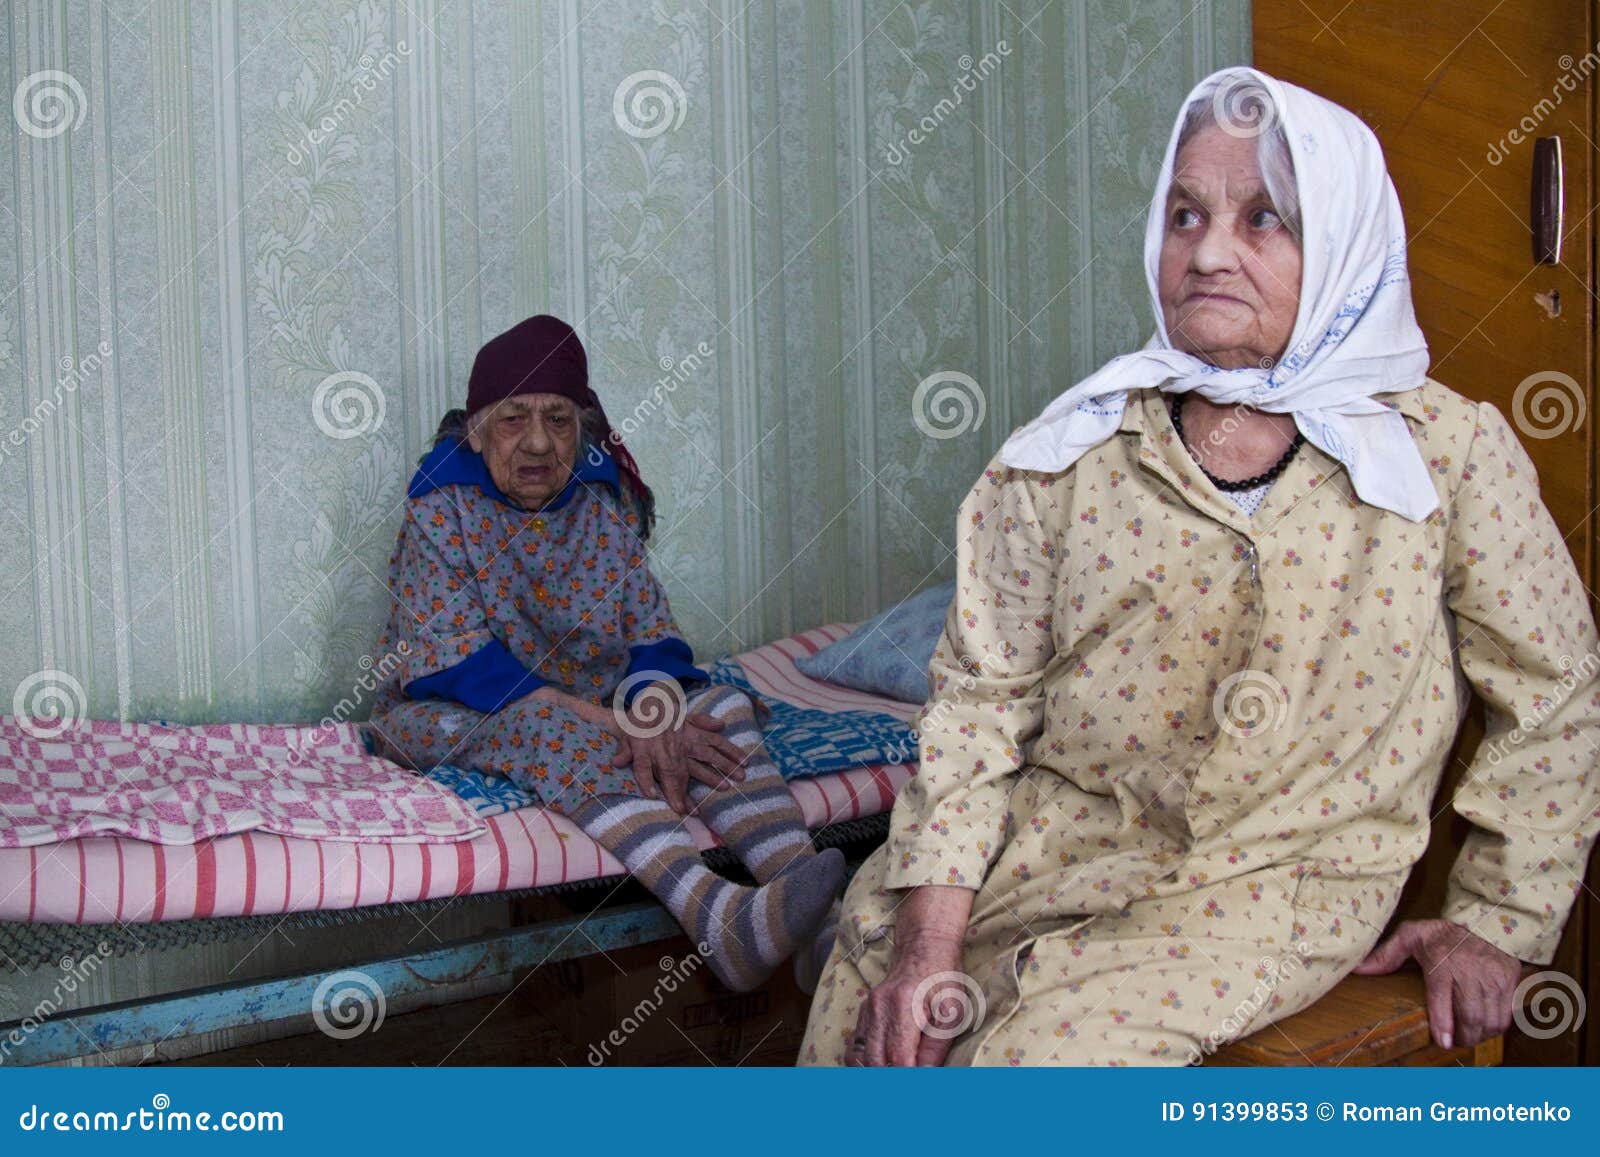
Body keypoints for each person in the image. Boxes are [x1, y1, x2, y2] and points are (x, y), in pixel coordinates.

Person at [799, 67, 1600, 1066]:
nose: (1209, 251)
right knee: (863, 1009)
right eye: (1186, 214)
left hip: (1263, 889)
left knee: (1025, 1072)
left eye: (1264, 218)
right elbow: (975, 707)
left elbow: (1556, 691)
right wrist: (928, 945)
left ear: (1344, 239)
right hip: (1039, 856)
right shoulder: (1063, 453)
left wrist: (1497, 918)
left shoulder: (1446, 456)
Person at [370, 315, 845, 993]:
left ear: (581, 424)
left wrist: (655, 709)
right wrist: (623, 723)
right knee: (552, 726)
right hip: (452, 709)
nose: (538, 441)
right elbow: (467, 665)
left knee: (719, 706)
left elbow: (650, 634)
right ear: (477, 429)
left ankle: (816, 922)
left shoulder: (600, 499)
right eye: (513, 419)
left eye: (558, 419)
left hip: (595, 696)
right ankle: (718, 918)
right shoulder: (439, 508)